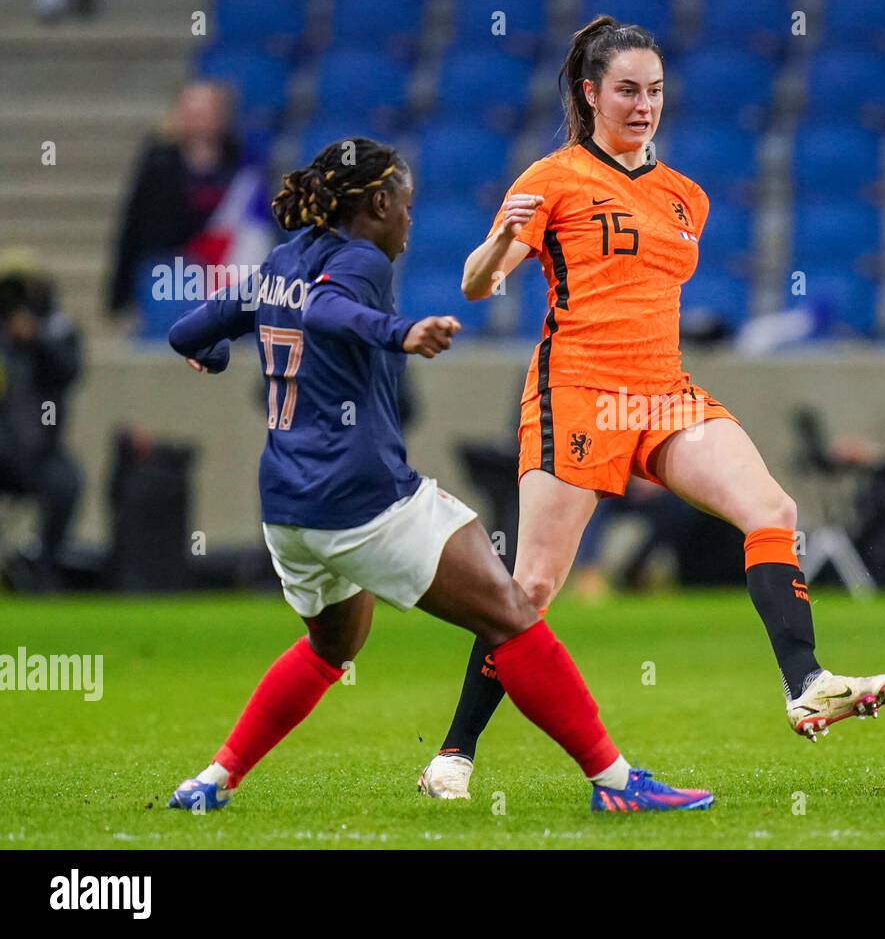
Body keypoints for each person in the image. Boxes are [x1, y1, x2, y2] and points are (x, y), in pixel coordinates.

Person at [421, 17, 885, 799]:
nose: (644, 105)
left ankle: (806, 683)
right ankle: (454, 753)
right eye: (627, 91)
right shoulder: (552, 178)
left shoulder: (687, 197)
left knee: (771, 507)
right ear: (590, 93)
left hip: (663, 390)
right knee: (533, 588)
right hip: (577, 390)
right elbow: (483, 282)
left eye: (654, 91)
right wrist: (488, 251)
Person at [165, 137, 713, 813]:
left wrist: (215, 352)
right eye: (406, 205)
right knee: (513, 615)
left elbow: (189, 331)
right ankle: (616, 782)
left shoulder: (282, 259)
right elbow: (326, 310)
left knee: (331, 646)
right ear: (377, 202)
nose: (410, 220)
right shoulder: (361, 261)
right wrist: (399, 333)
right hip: (359, 496)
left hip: (286, 508)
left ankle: (210, 782)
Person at [107, 82, 246, 318]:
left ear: (222, 115)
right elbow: (133, 227)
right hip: (171, 266)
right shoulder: (158, 163)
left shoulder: (244, 164)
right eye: (191, 112)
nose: (198, 120)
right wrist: (119, 294)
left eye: (205, 112)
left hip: (231, 264)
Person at [0, 254, 83, 590]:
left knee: (66, 483)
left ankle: (43, 570)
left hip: (40, 451)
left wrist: (34, 339)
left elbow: (69, 370)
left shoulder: (56, 330)